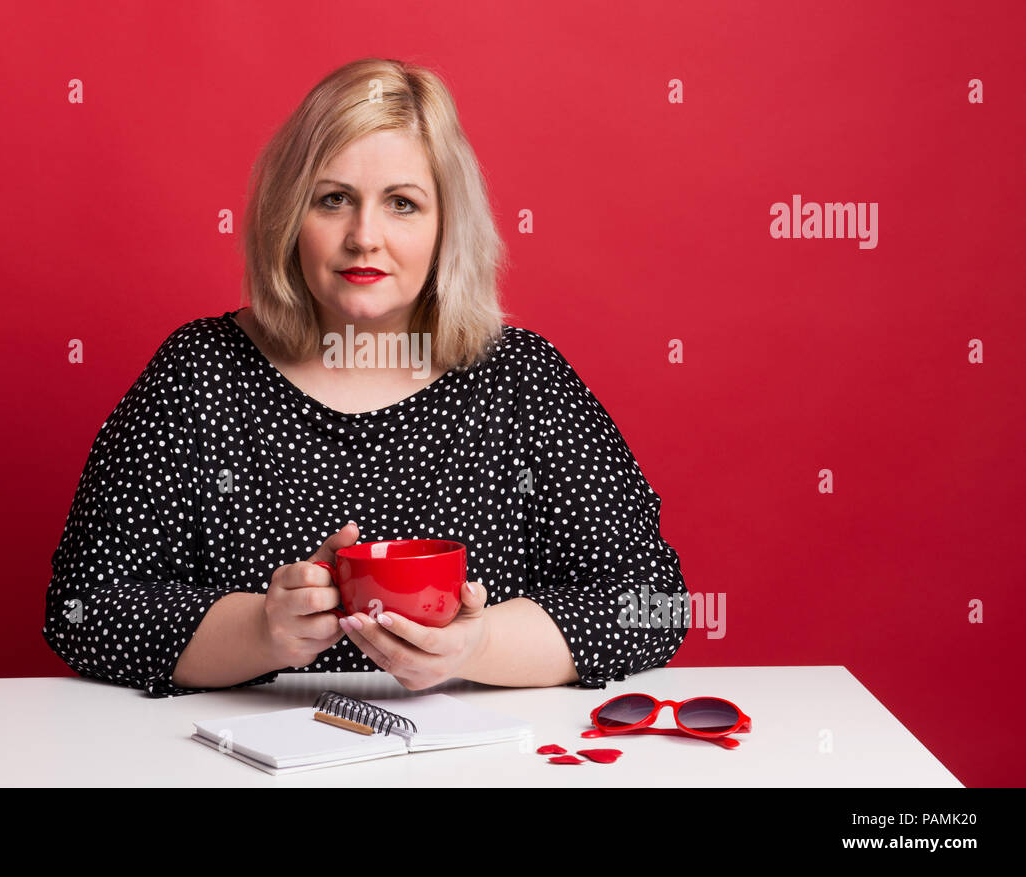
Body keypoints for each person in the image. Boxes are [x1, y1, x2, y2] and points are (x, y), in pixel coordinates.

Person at [42, 57, 689, 698]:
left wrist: (478, 644)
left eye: (403, 203)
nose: (364, 236)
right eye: (333, 199)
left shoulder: (524, 380)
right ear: (290, 215)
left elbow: (653, 603)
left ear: (446, 228)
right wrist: (264, 631)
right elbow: (82, 607)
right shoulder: (199, 371)